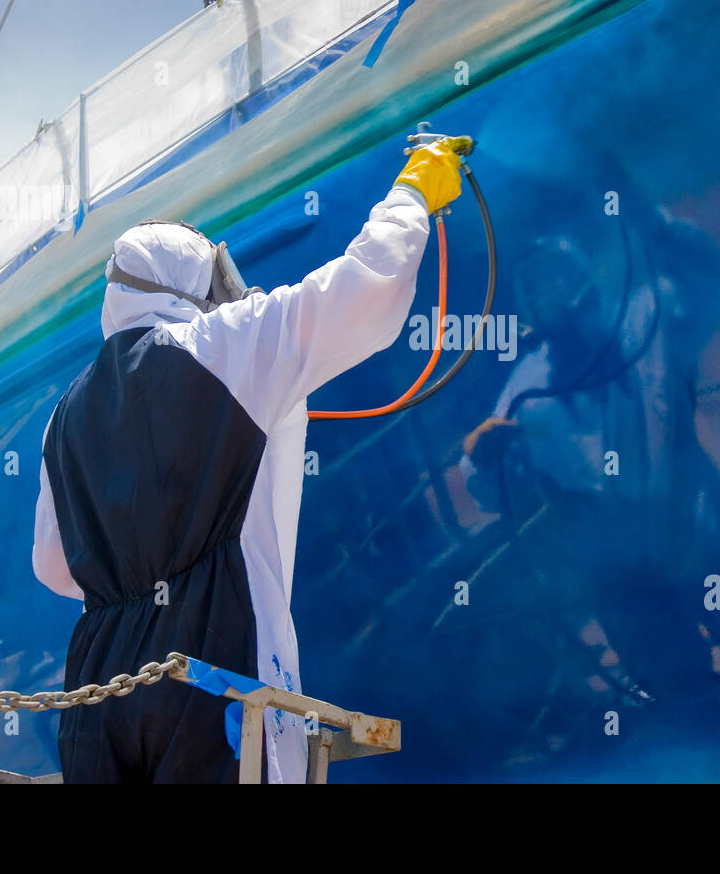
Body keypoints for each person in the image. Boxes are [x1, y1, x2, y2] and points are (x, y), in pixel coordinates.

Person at [31, 138, 468, 783]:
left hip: (100, 680)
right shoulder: (220, 344)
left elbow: (54, 567)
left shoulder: (63, 415)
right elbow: (362, 288)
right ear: (193, 279)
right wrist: (414, 192)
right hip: (211, 656)